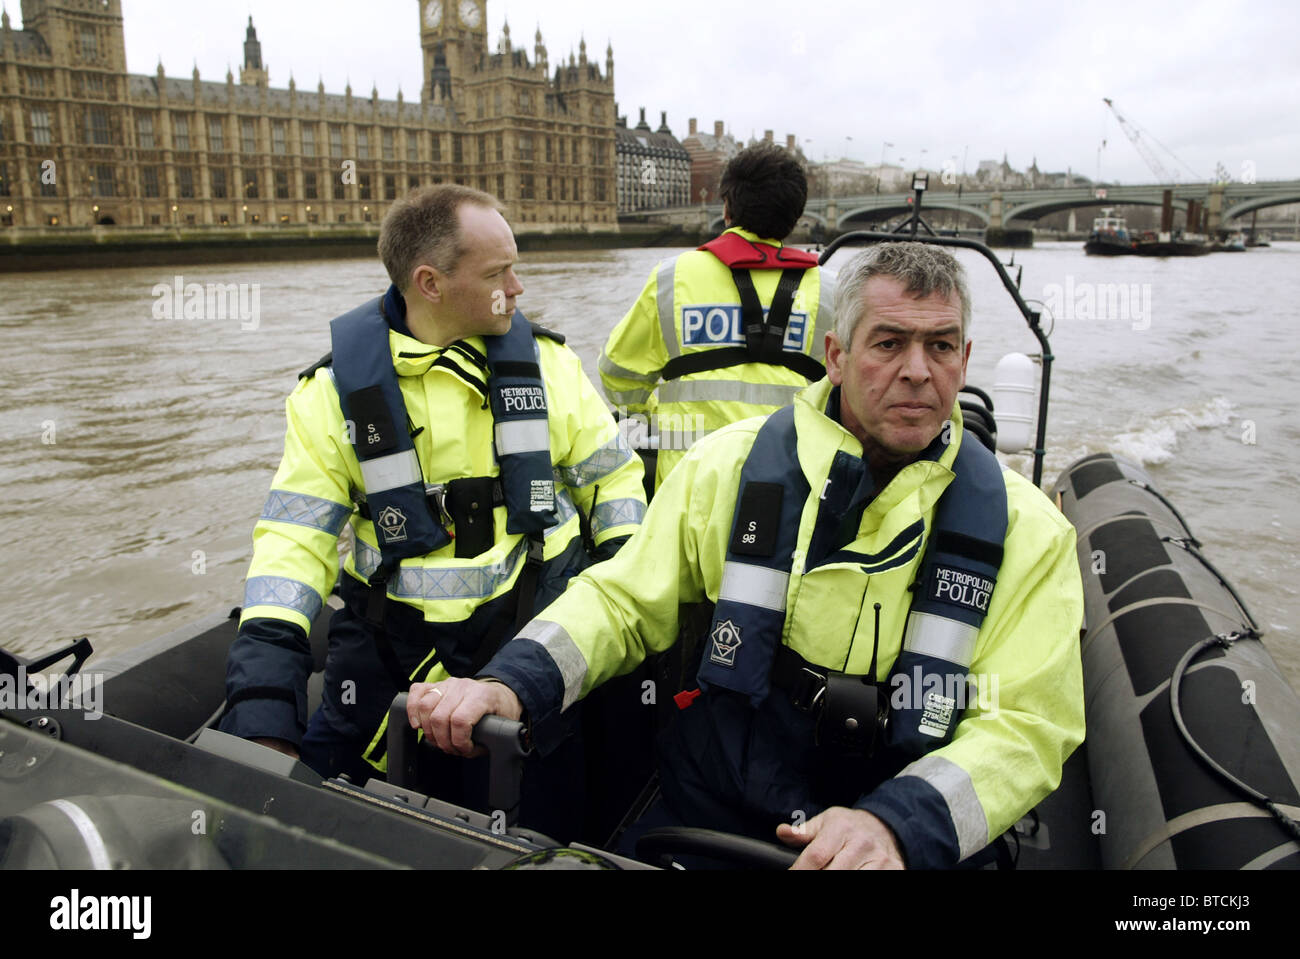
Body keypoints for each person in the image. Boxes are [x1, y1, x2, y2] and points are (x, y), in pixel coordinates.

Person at [408, 241, 1086, 869]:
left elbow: (1027, 724)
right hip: (717, 809)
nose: (917, 370)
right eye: (890, 342)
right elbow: (622, 598)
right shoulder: (726, 469)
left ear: (964, 362)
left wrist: (897, 827)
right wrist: (508, 683)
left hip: (900, 837)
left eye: (940, 346)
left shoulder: (1028, 533)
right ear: (836, 354)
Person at [218, 185, 646, 836]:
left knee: (544, 833)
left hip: (531, 639)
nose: (519, 286)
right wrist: (263, 705)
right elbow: (291, 542)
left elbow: (613, 478)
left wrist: (620, 586)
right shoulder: (331, 394)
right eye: (499, 273)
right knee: (306, 826)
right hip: (388, 656)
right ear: (431, 283)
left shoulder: (552, 367)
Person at [599, 141, 834, 488]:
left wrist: (654, 417)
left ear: (727, 207)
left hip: (687, 487)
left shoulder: (671, 278)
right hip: (788, 487)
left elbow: (617, 374)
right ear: (795, 216)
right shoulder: (829, 291)